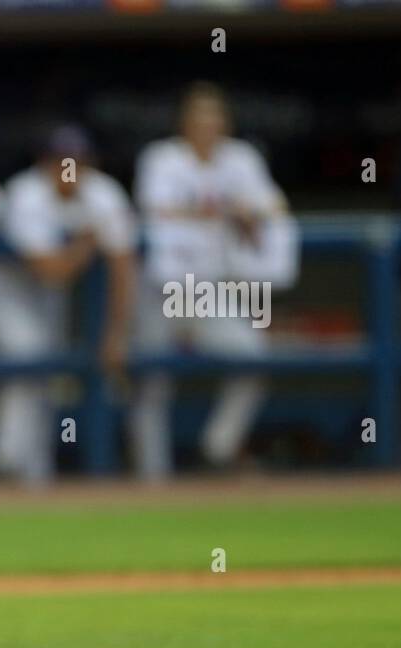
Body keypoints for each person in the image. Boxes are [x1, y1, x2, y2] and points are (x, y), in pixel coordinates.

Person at [130, 82, 298, 479]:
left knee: (252, 357)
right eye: (198, 117)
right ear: (184, 123)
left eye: (214, 116)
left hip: (208, 290)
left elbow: (276, 204)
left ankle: (217, 449)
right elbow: (156, 211)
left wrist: (249, 210)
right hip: (161, 287)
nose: (207, 124)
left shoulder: (241, 158)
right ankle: (150, 476)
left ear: (224, 122)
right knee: (152, 379)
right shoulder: (162, 158)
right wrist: (224, 213)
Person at [0, 125, 136, 484]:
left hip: (47, 296)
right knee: (26, 351)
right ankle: (5, 460)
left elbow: (122, 267)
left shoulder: (103, 193)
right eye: (61, 162)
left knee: (46, 366)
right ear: (44, 163)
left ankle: (33, 471)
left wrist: (115, 335)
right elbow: (51, 270)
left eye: (78, 161)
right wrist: (86, 244)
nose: (70, 170)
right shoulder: (26, 193)